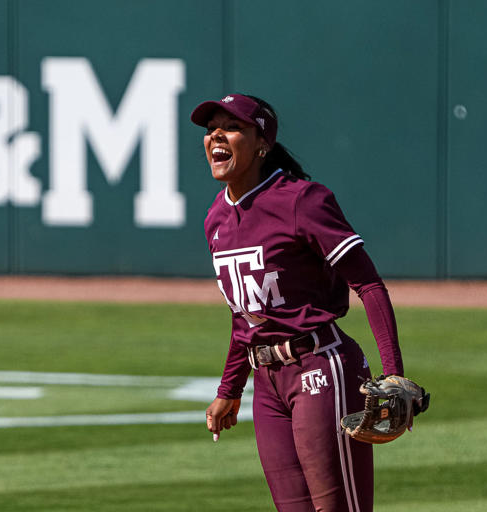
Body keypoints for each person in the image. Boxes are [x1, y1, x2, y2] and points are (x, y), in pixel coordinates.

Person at [190, 93, 405, 512]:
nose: (216, 134)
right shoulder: (216, 217)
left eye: (232, 126)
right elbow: (246, 317)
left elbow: (369, 284)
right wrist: (229, 389)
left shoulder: (301, 200)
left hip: (321, 367)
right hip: (268, 385)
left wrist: (394, 374)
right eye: (211, 127)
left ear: (261, 143)